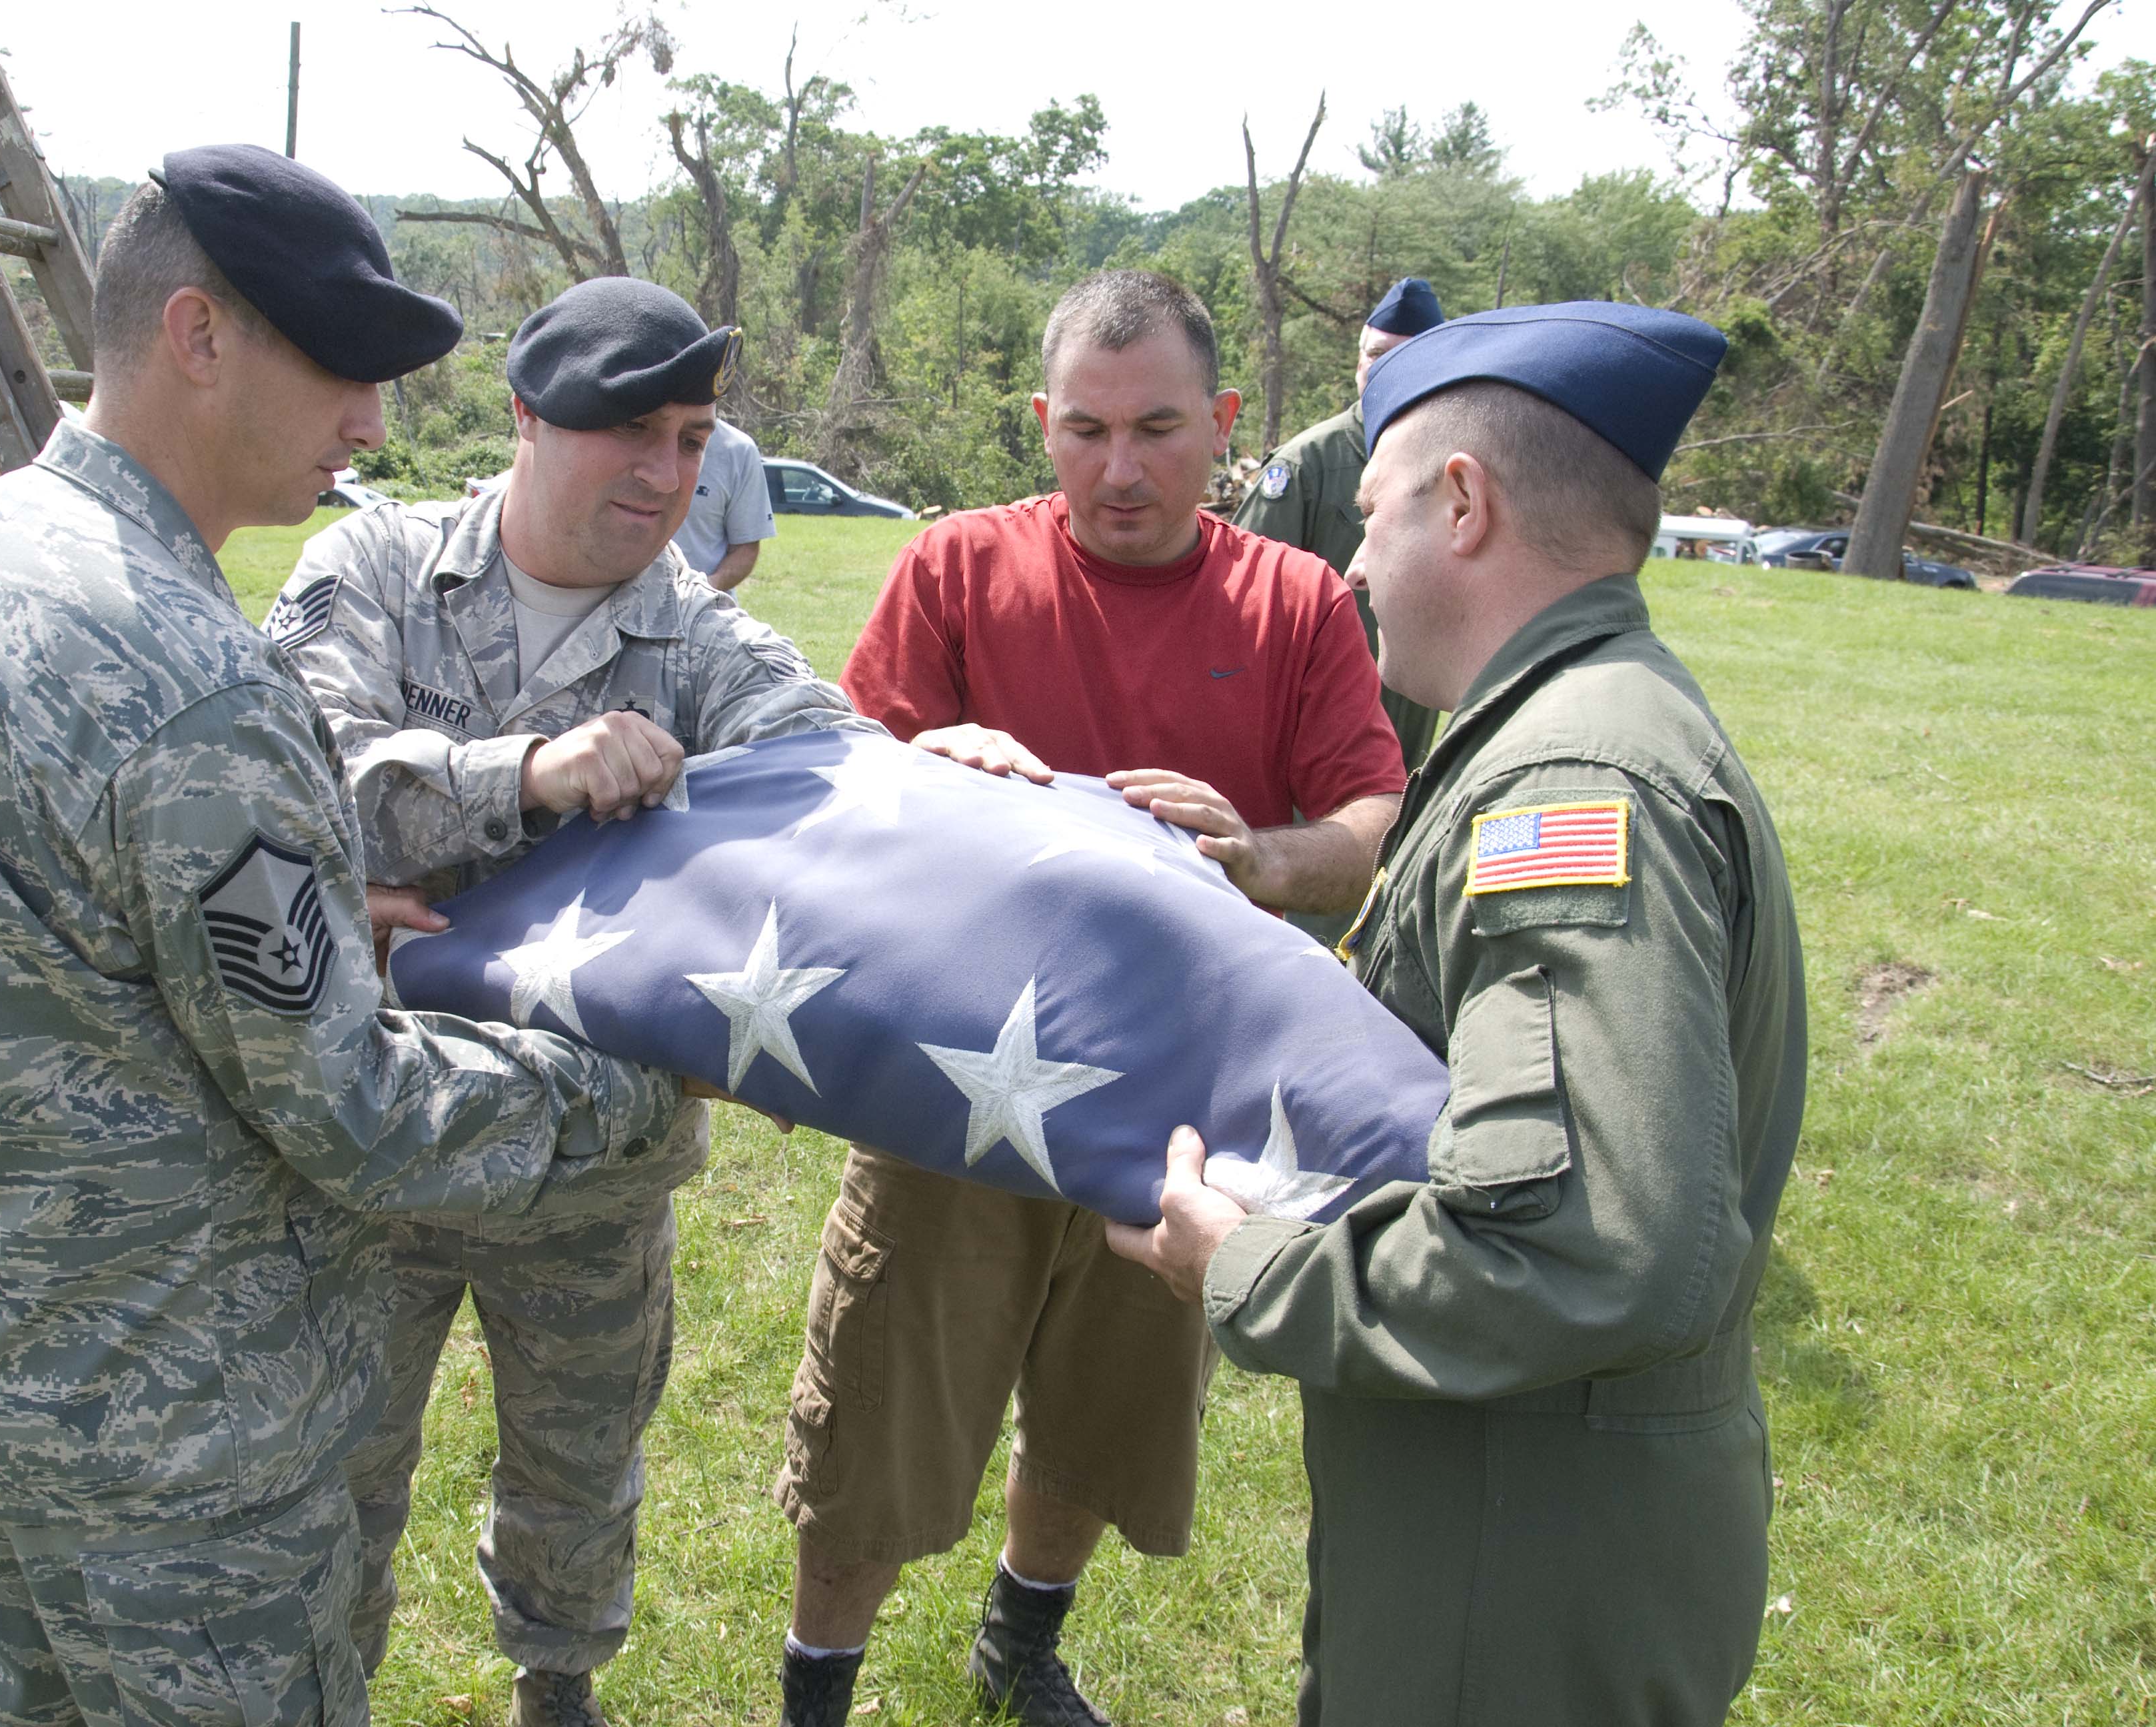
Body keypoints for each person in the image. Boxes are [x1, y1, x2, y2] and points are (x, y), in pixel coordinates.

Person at [0, 145, 687, 1727]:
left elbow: (12, 923)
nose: (371, 425)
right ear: (197, 334)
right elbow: (354, 1112)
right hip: (168, 1454)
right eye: (341, 371)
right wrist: (621, 1082)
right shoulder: (194, 687)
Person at [1108, 301, 1807, 1726]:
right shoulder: (1584, 725)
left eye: (1373, 515)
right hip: (1529, 1518)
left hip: (1519, 1564)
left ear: (1465, 505)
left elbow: (1586, 1245)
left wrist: (1246, 1267)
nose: (1354, 563)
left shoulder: (1569, 788)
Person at [772, 269, 1406, 1727]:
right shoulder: (955, 568)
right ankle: (816, 1693)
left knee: (1101, 1411)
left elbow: (1372, 820)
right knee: (881, 1406)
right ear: (1041, 423)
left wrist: (1259, 854)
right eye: (1084, 431)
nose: (1119, 470)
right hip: (946, 1083)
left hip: (1177, 1105)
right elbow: (832, 792)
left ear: (1227, 424)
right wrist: (939, 769)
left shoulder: (1294, 599)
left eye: (1160, 429)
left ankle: (1022, 1641)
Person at [274, 275, 876, 1727]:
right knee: (333, 1475)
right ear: (527, 419)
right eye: (637, 435)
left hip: (586, 1168)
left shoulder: (694, 634)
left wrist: (944, 773)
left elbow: (837, 785)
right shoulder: (374, 565)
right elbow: (288, 795)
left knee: (580, 1463)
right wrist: (527, 772)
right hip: (368, 1143)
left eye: (696, 438)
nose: (672, 478)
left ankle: (559, 1685)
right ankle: (319, 1685)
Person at [1236, 277, 1448, 772]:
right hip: (1313, 721)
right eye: (1378, 354)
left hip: (1411, 711)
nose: (1389, 367)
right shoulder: (1307, 465)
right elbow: (1241, 597)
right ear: (1358, 362)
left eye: (1410, 354)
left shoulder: (1455, 464)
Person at [670, 411, 775, 591]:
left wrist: (703, 590)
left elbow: (745, 548)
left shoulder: (738, 450)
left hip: (703, 610)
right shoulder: (628, 429)